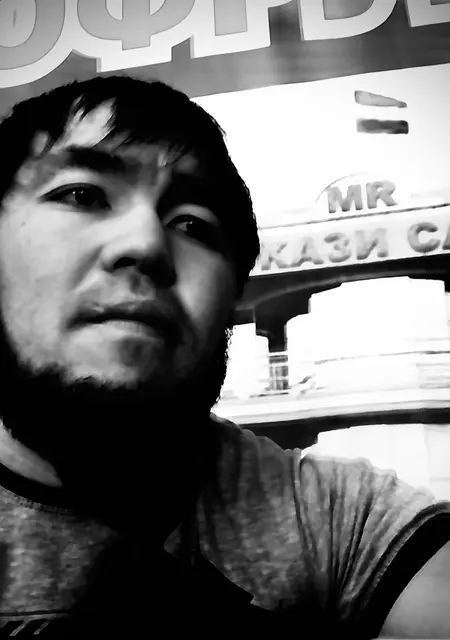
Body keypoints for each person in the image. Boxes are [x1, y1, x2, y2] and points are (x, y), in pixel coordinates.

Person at [0, 75, 448, 639]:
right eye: (83, 195)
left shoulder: (339, 518)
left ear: (231, 298)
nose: (145, 244)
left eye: (192, 224)